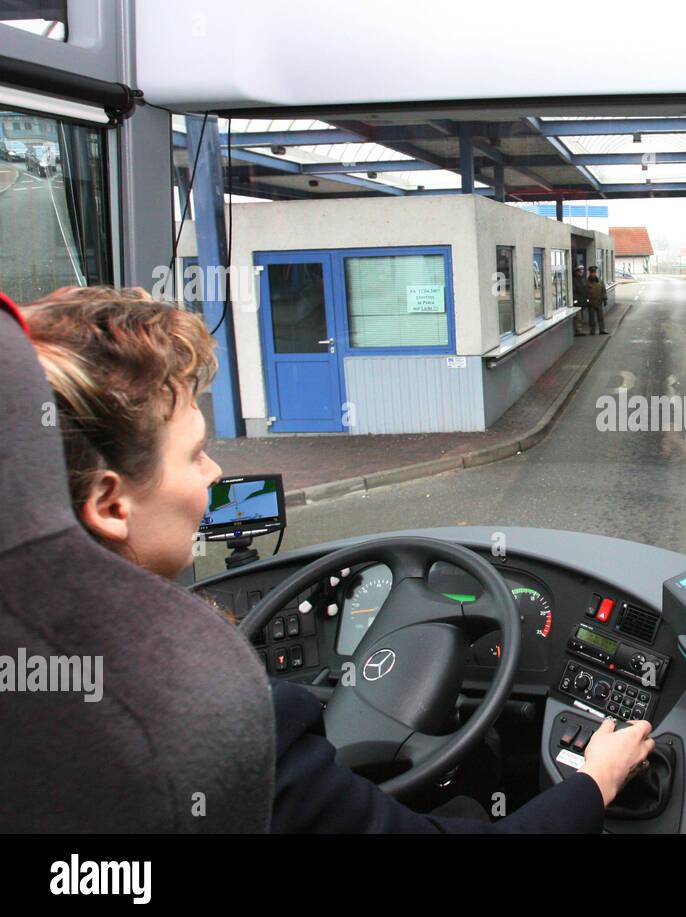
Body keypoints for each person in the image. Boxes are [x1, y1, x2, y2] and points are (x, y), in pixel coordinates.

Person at [19, 285, 654, 833]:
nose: (214, 474)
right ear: (108, 503)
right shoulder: (209, 710)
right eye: (193, 455)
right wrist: (593, 782)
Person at [585, 266, 609, 334]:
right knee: (592, 318)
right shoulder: (586, 282)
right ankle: (592, 330)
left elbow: (603, 291)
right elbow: (585, 293)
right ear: (590, 273)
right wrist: (587, 301)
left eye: (594, 272)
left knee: (601, 317)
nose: (593, 274)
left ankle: (602, 330)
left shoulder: (600, 281)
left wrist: (605, 299)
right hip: (591, 303)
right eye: (592, 273)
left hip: (599, 302)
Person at [572, 265, 589, 335]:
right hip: (577, 301)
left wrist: (587, 299)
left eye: (582, 271)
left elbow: (585, 290)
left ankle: (579, 330)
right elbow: (574, 291)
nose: (581, 273)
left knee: (580, 317)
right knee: (578, 317)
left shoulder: (583, 279)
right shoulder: (574, 280)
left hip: (582, 301)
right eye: (580, 271)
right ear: (577, 272)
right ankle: (578, 331)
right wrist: (575, 300)